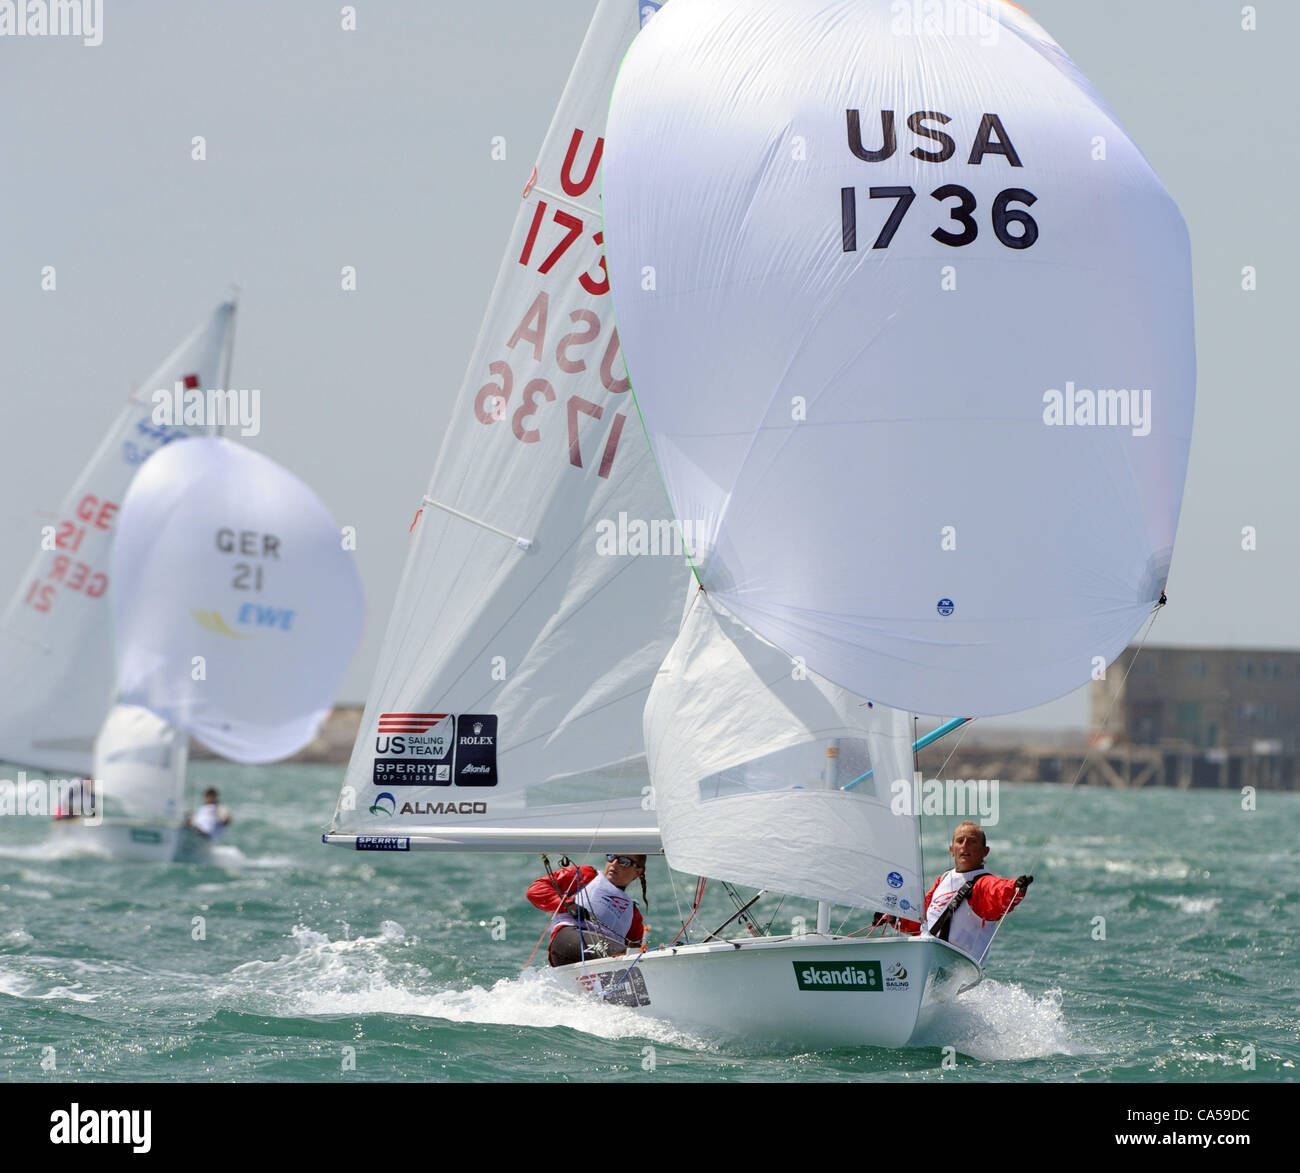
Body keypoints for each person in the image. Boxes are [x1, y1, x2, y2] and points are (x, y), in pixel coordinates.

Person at [887, 820, 1031, 962]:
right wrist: (896, 918)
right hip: (926, 956)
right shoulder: (944, 879)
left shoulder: (983, 884)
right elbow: (923, 919)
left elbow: (998, 891)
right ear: (951, 850)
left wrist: (1015, 887)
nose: (965, 846)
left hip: (958, 964)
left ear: (985, 851)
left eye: (972, 841)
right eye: (960, 841)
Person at [527, 854, 647, 966]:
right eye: (611, 856)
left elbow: (635, 951)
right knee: (624, 956)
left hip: (599, 957)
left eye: (624, 862)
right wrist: (568, 905)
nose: (614, 864)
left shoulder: (633, 914)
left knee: (632, 958)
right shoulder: (587, 874)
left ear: (637, 872)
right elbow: (535, 890)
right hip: (568, 939)